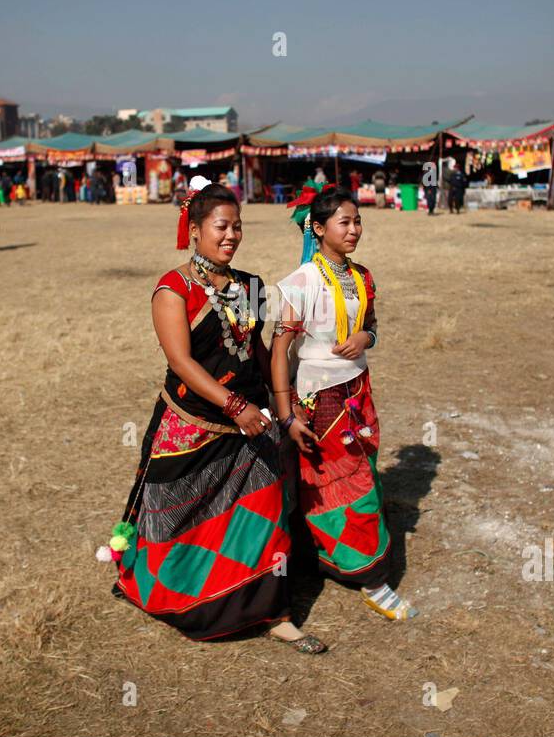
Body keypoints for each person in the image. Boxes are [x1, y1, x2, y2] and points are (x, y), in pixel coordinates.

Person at [103, 178, 323, 652]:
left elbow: (261, 351)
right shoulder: (172, 288)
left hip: (252, 422)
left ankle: (273, 612)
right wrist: (234, 406)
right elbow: (181, 361)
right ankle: (169, 589)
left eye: (238, 226)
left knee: (265, 512)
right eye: (221, 226)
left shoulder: (252, 285)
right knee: (177, 519)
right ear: (195, 229)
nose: (231, 235)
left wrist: (282, 409)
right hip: (194, 423)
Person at [273, 186, 414, 622]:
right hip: (319, 401)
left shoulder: (363, 276)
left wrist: (363, 339)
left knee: (358, 474)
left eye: (357, 221)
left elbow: (371, 326)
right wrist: (285, 412)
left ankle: (329, 558)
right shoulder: (300, 283)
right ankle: (371, 577)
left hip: (357, 392)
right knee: (348, 488)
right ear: (318, 228)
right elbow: (280, 351)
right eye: (344, 222)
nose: (354, 230)